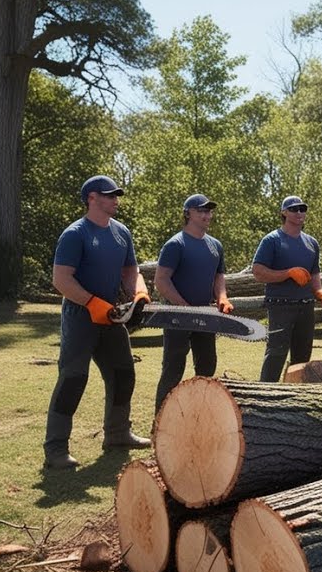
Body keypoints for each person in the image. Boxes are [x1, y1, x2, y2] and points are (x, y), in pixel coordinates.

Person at [44, 175, 153, 469]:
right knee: (73, 378)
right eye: (110, 195)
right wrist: (91, 302)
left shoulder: (121, 232)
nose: (116, 199)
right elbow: (61, 279)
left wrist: (138, 291)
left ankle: (117, 433)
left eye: (117, 194)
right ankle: (55, 448)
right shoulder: (75, 234)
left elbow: (131, 270)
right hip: (81, 315)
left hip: (112, 314)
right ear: (92, 198)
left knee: (123, 374)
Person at [152, 194, 234, 412]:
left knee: (207, 365)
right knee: (173, 369)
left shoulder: (215, 245)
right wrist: (184, 306)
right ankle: (160, 422)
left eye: (209, 211)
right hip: (178, 316)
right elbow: (161, 280)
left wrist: (222, 297)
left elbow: (219, 276)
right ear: (188, 213)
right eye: (201, 211)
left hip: (205, 315)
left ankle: (199, 415)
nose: (207, 215)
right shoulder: (175, 245)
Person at [251, 196, 322, 381]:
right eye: (294, 209)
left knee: (303, 356)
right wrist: (287, 273)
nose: (299, 213)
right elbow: (258, 272)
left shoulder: (312, 243)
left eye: (302, 209)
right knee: (276, 354)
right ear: (284, 213)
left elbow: (314, 277)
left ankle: (294, 399)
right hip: (280, 305)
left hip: (306, 306)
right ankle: (265, 396)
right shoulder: (272, 240)